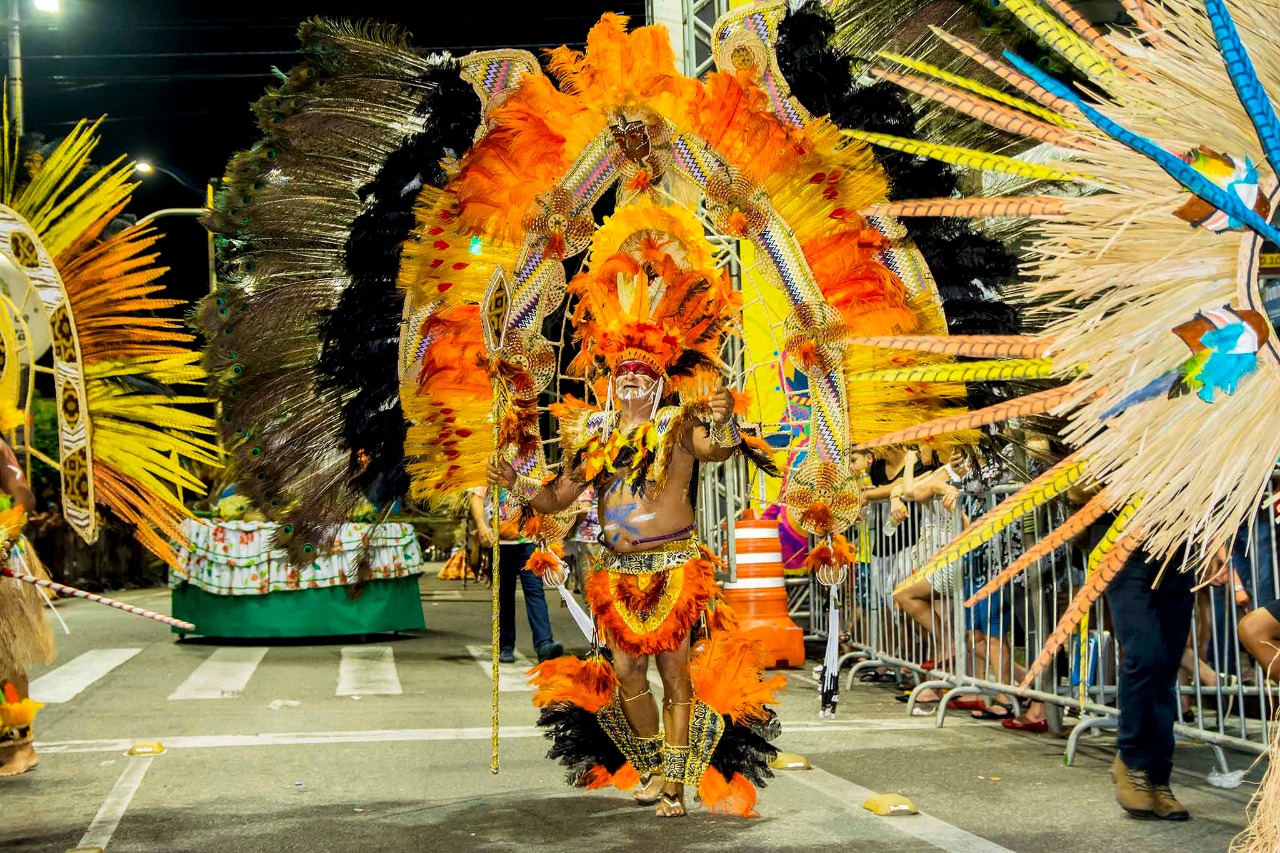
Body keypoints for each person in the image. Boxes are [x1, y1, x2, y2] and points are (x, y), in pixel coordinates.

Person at [1098, 511, 1226, 822]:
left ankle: (1158, 778)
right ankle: (1132, 760)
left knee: (1166, 666)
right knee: (1145, 654)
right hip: (1124, 540)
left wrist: (1215, 541)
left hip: (1181, 544)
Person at [0, 438, 51, 778]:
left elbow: (23, 495)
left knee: (5, 656)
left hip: (4, 555)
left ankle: (22, 747)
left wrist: (6, 531)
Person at [469, 486, 563, 665]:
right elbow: (477, 496)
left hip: (528, 541)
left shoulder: (530, 469)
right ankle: (505, 646)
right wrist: (481, 525)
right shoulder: (488, 469)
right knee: (504, 595)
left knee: (535, 591)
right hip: (498, 541)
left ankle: (544, 644)